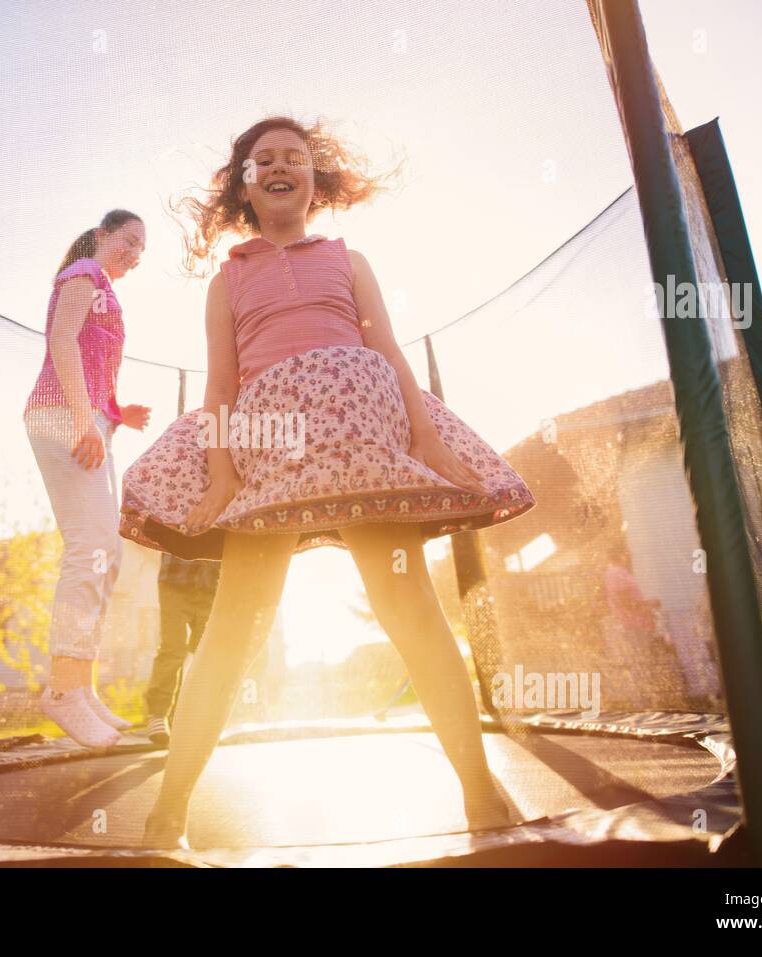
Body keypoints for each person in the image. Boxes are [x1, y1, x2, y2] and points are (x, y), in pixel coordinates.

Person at [118, 117, 537, 847]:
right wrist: (221, 474)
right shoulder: (230, 278)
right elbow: (220, 383)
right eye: (263, 160)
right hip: (272, 450)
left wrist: (428, 440)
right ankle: (168, 813)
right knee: (235, 626)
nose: (280, 166)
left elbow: (393, 353)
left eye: (294, 158)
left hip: (361, 439)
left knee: (409, 604)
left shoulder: (349, 259)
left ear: (316, 178)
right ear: (244, 186)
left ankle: (480, 789)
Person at [24, 209, 151, 748]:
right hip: (63, 416)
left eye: (141, 248)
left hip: (87, 418)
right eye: (128, 240)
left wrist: (118, 413)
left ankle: (80, 685)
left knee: (106, 551)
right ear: (102, 235)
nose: (135, 252)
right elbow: (62, 343)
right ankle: (63, 691)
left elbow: (95, 363)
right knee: (90, 547)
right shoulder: (83, 277)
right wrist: (83, 420)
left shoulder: (104, 288)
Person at [143, 553, 221, 745]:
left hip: (212, 583)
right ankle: (158, 714)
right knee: (173, 648)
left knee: (204, 654)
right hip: (175, 580)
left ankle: (187, 717)